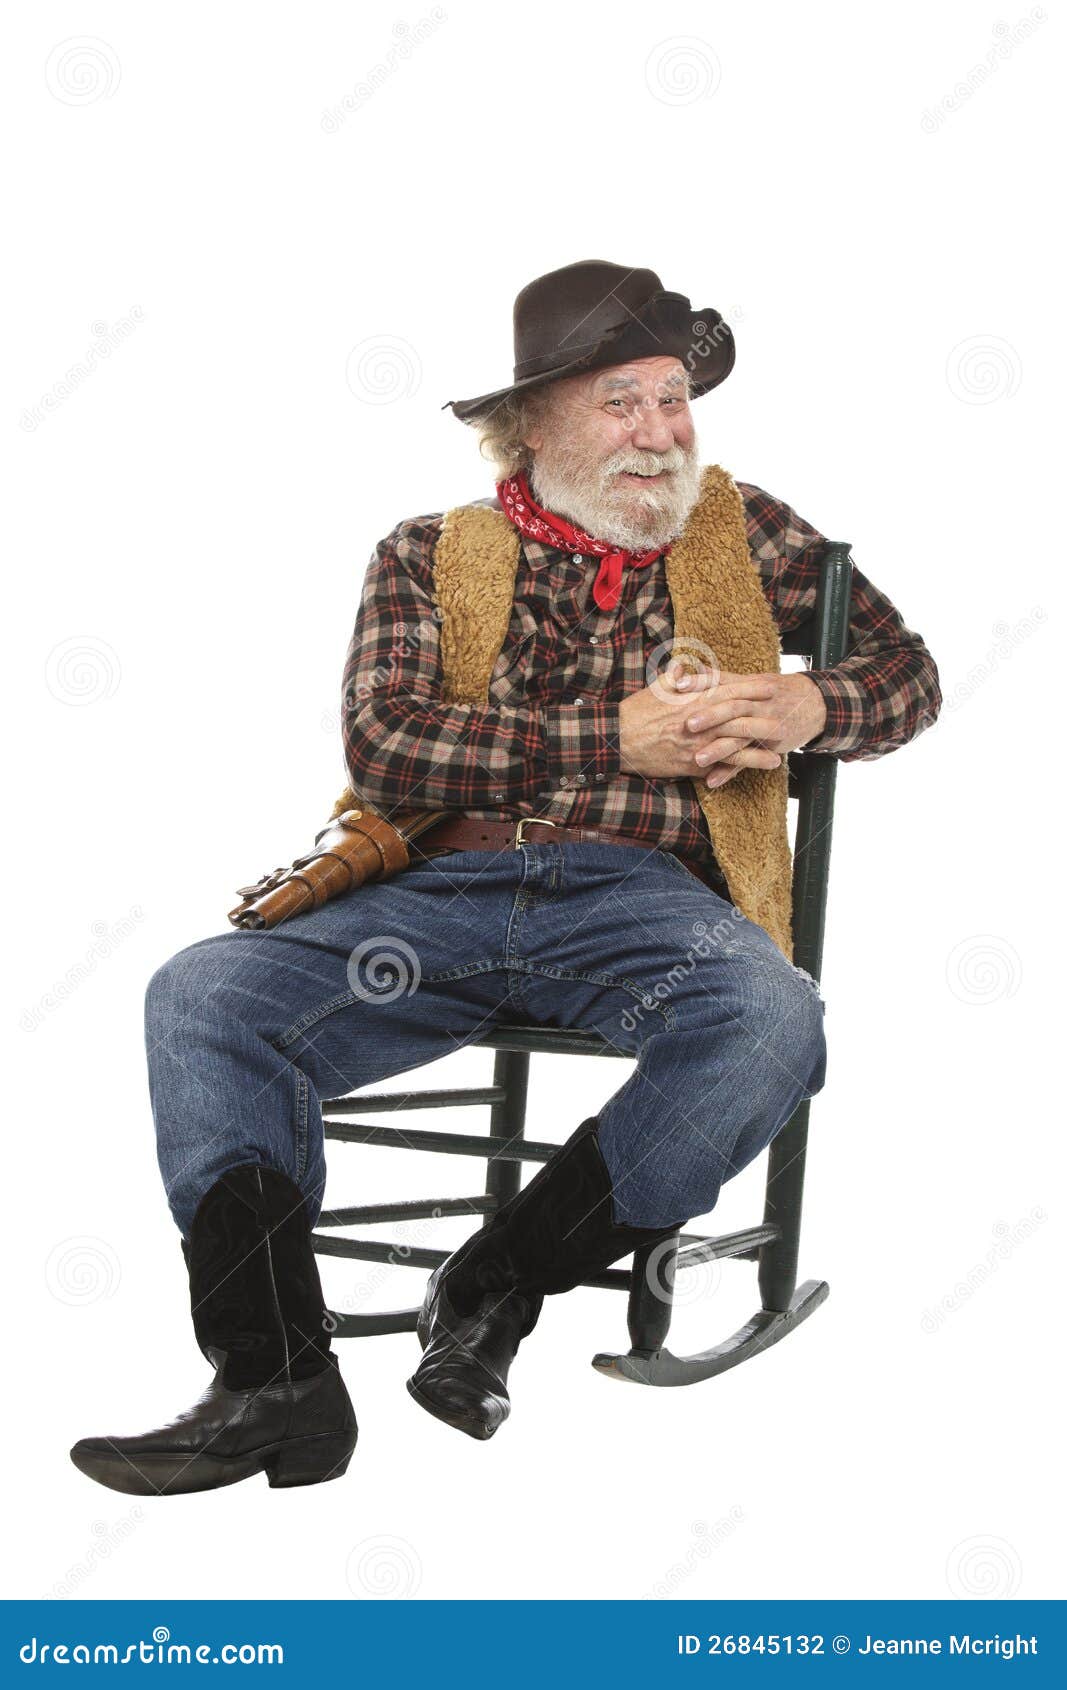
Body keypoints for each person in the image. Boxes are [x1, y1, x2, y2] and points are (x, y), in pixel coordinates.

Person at [71, 260, 941, 1493]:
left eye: (671, 399)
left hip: (641, 905)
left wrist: (811, 700)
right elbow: (385, 739)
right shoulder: (430, 550)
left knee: (767, 1018)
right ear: (531, 425)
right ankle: (274, 1379)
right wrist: (609, 737)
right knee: (205, 995)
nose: (659, 432)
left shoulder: (744, 535)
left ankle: (498, 1283)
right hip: (434, 902)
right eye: (619, 403)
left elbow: (909, 674)